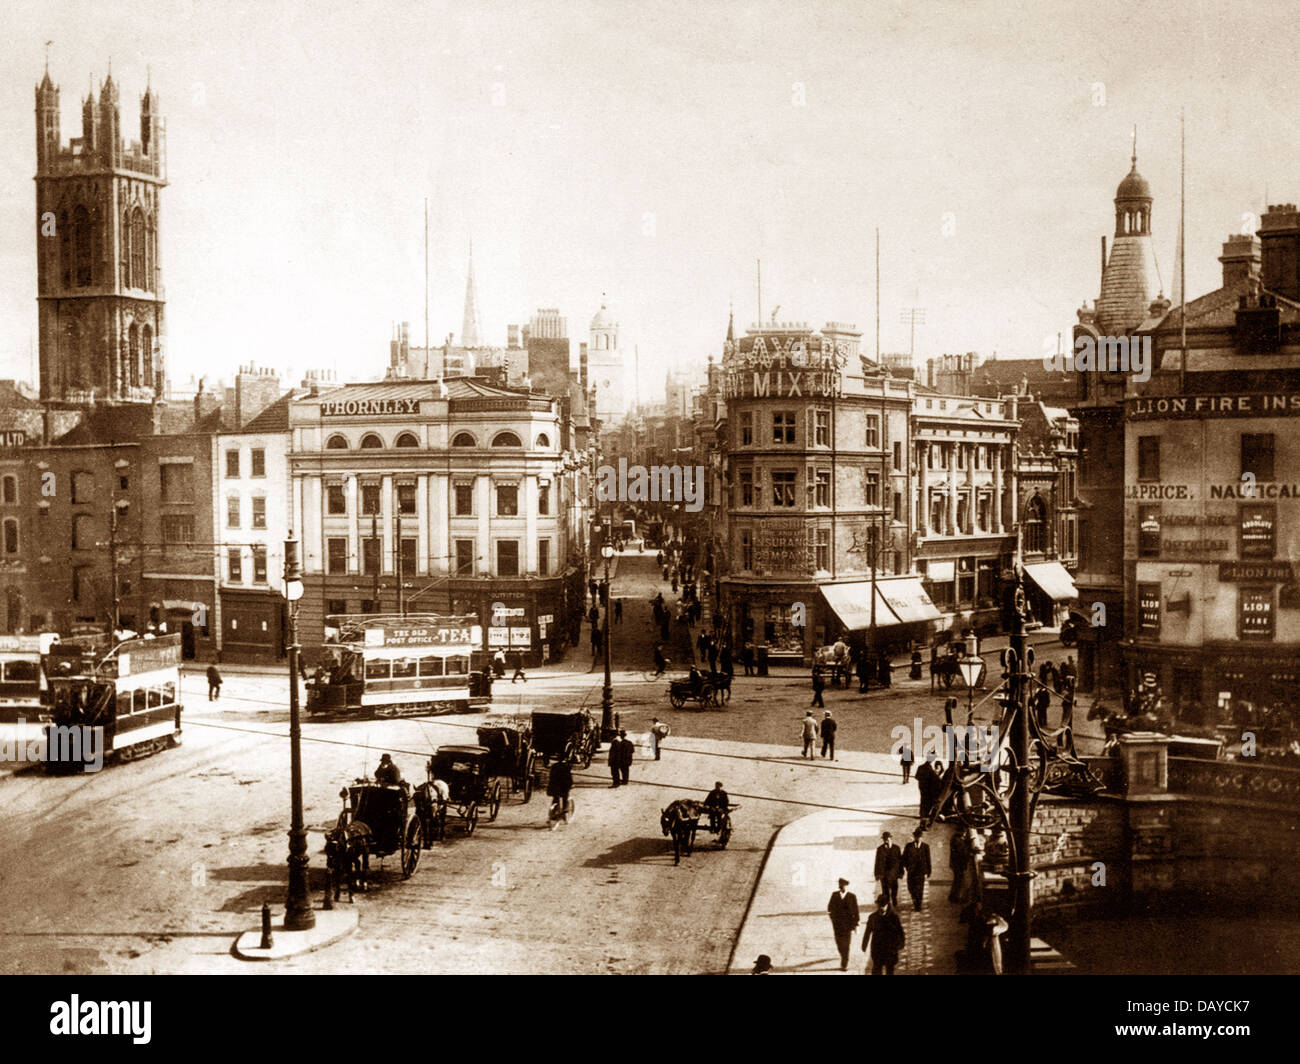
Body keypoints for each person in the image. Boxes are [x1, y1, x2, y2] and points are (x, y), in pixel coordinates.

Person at [861, 894, 905, 975]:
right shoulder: (872, 917)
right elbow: (867, 932)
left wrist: (901, 943)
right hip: (877, 949)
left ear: (887, 905)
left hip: (890, 949)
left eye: (883, 905)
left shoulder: (893, 917)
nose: (881, 907)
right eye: (880, 905)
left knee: (890, 970)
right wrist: (864, 945)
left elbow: (900, 931)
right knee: (876, 969)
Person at [827, 878, 860, 971]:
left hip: (848, 925)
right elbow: (829, 908)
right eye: (841, 886)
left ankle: (844, 963)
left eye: (844, 886)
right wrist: (832, 918)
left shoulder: (852, 896)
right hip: (837, 925)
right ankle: (843, 955)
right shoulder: (835, 895)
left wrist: (856, 923)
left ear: (847, 886)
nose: (842, 887)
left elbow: (856, 911)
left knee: (846, 944)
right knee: (839, 943)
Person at [901, 828, 932, 911]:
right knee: (911, 888)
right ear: (914, 837)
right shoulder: (908, 846)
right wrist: (906, 867)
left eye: (919, 837)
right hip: (911, 872)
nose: (918, 838)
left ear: (922, 837)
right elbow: (904, 858)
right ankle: (915, 900)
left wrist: (928, 871)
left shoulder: (925, 847)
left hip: (921, 872)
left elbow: (928, 860)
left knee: (920, 888)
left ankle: (918, 905)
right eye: (916, 837)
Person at [874, 831, 902, 906]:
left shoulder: (896, 848)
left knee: (894, 890)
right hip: (884, 876)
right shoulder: (880, 849)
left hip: (894, 875)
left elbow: (900, 861)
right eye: (884, 839)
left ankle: (894, 902)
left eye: (887, 839)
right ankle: (888, 905)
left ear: (891, 839)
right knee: (885, 892)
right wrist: (876, 874)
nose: (886, 841)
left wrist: (900, 873)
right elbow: (877, 862)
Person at [547, 757, 573, 824]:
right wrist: (571, 785)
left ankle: (552, 814)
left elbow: (550, 777)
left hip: (553, 787)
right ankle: (564, 810)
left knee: (555, 798)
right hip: (563, 787)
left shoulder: (554, 766)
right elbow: (569, 778)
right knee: (565, 796)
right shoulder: (566, 767)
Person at [915, 753, 941, 820]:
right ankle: (925, 815)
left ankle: (922, 814)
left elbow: (917, 777)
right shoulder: (930, 770)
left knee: (923, 800)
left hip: (921, 787)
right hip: (928, 789)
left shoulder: (920, 767)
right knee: (927, 801)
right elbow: (935, 780)